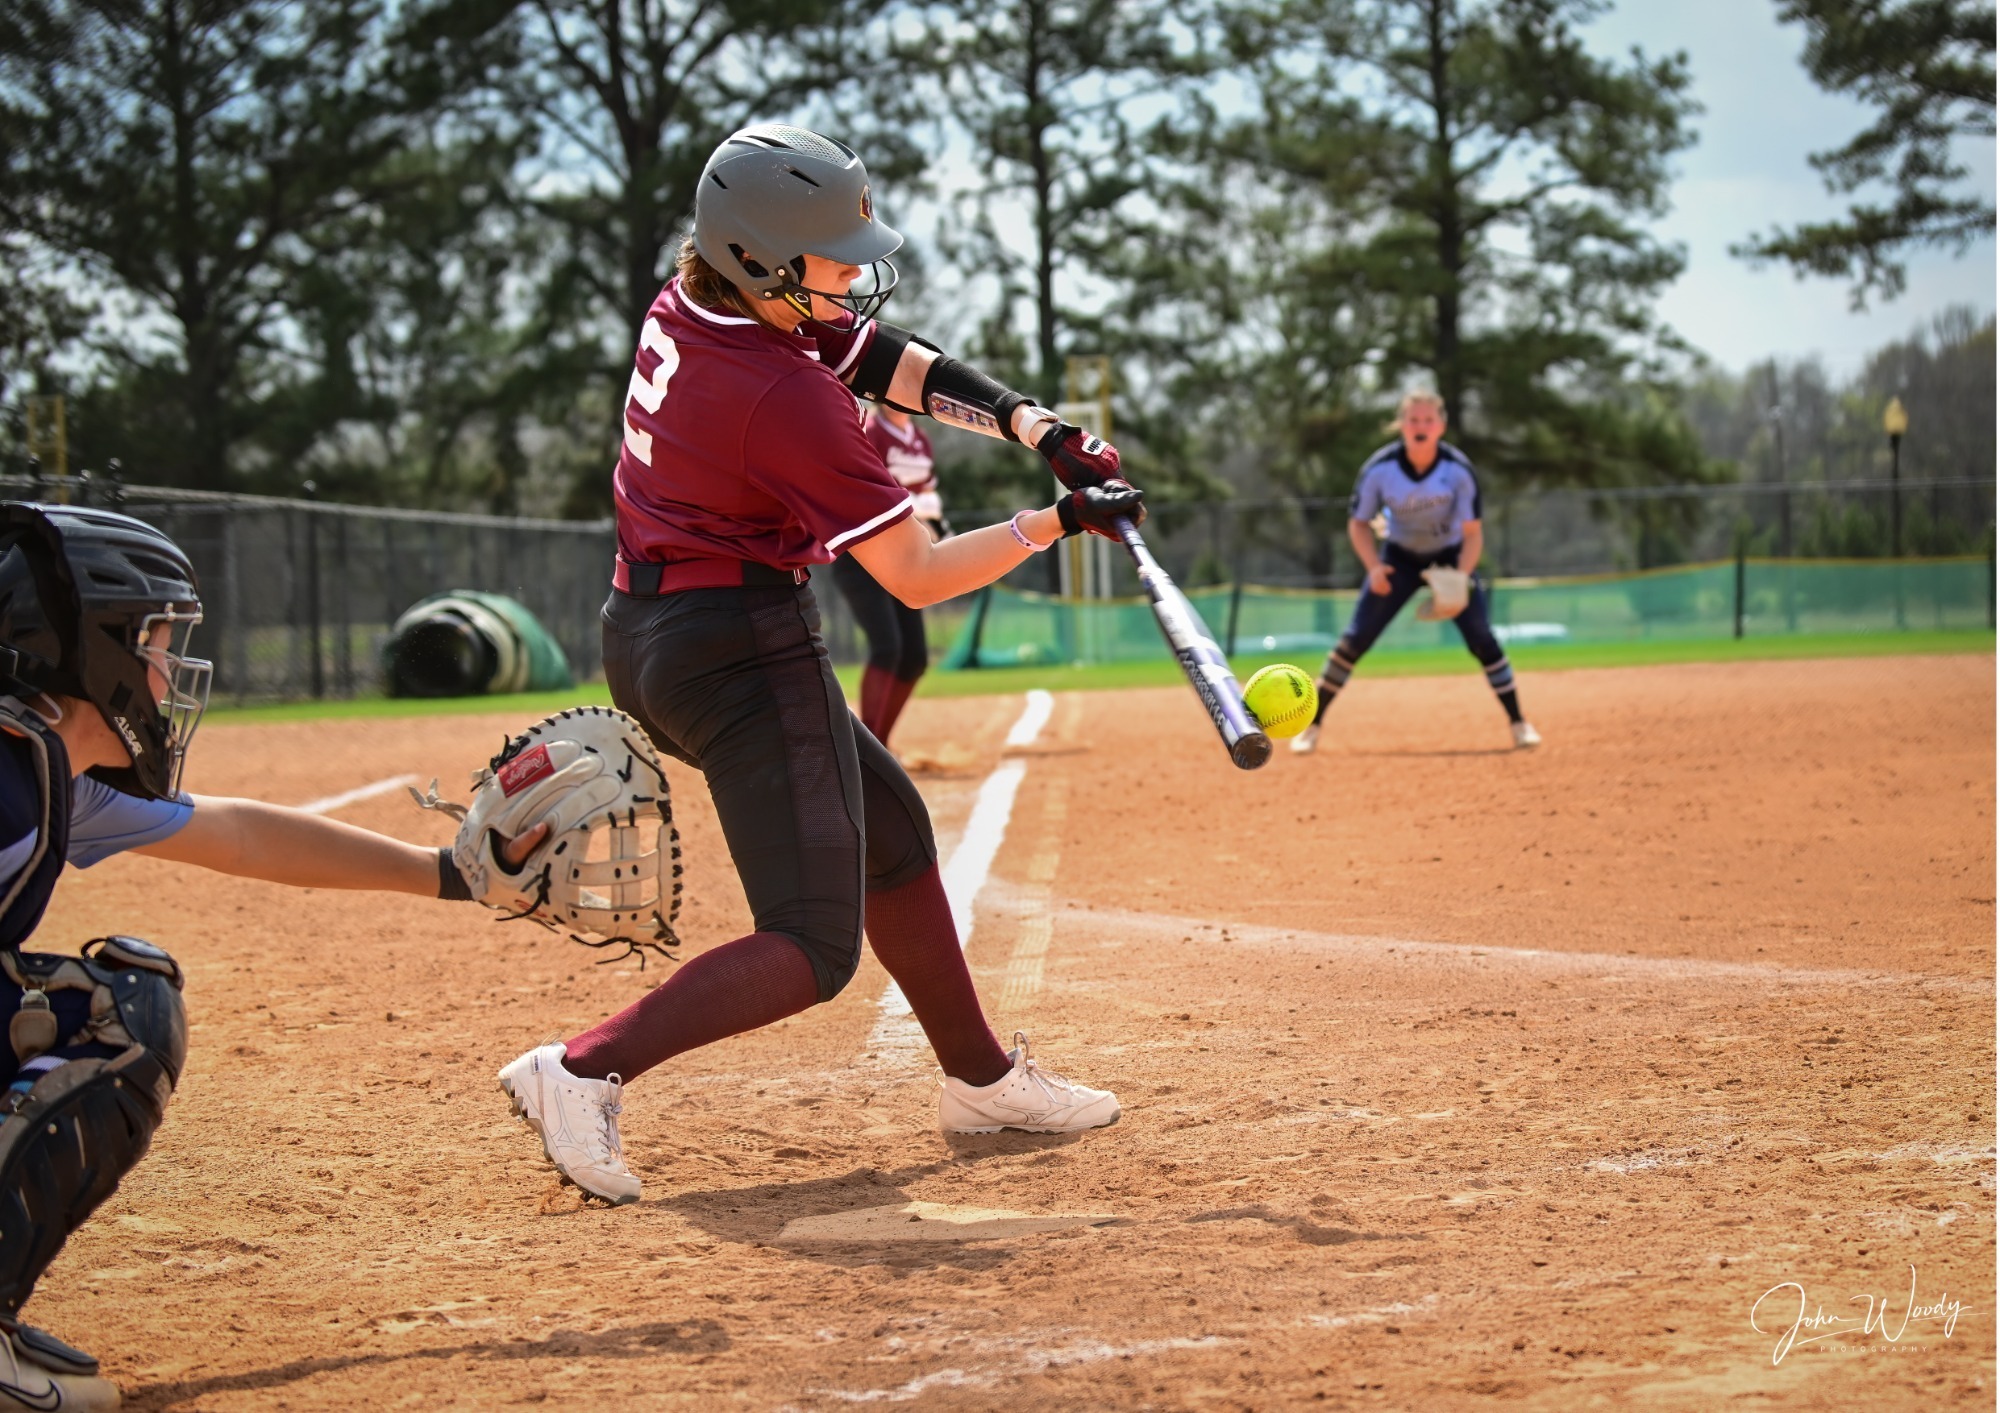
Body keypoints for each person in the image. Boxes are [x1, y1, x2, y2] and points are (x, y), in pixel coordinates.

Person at [496, 123, 1144, 1206]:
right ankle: (580, 1067)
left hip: (657, 628)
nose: (853, 273)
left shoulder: (700, 298)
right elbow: (919, 576)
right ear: (762, 256)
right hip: (735, 650)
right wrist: (1055, 521)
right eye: (832, 256)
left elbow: (876, 355)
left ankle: (980, 1079)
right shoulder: (777, 399)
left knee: (890, 837)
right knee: (809, 943)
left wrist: (1030, 423)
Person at [0, 502, 538, 1410]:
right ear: (90, 643)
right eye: (156, 640)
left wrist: (454, 874)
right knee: (115, 1015)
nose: (169, 670)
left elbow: (241, 835)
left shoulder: (50, 773)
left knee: (107, 998)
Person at [1291, 390, 1541, 755]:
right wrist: (1374, 567)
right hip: (1399, 558)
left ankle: (1520, 724)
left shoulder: (1457, 470)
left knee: (1482, 639)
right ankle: (1311, 728)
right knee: (1355, 639)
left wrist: (1461, 576)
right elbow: (1358, 524)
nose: (1420, 427)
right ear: (1401, 425)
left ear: (1441, 425)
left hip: (1451, 556)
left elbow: (1472, 534)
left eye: (1427, 420)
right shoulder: (1381, 469)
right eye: (1413, 420)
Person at [829, 404, 942, 747]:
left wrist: (934, 523)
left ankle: (881, 745)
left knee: (914, 658)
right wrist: (918, 509)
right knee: (888, 647)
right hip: (863, 555)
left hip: (905, 554)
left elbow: (928, 496)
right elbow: (869, 491)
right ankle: (867, 751)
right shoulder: (872, 433)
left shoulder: (919, 439)